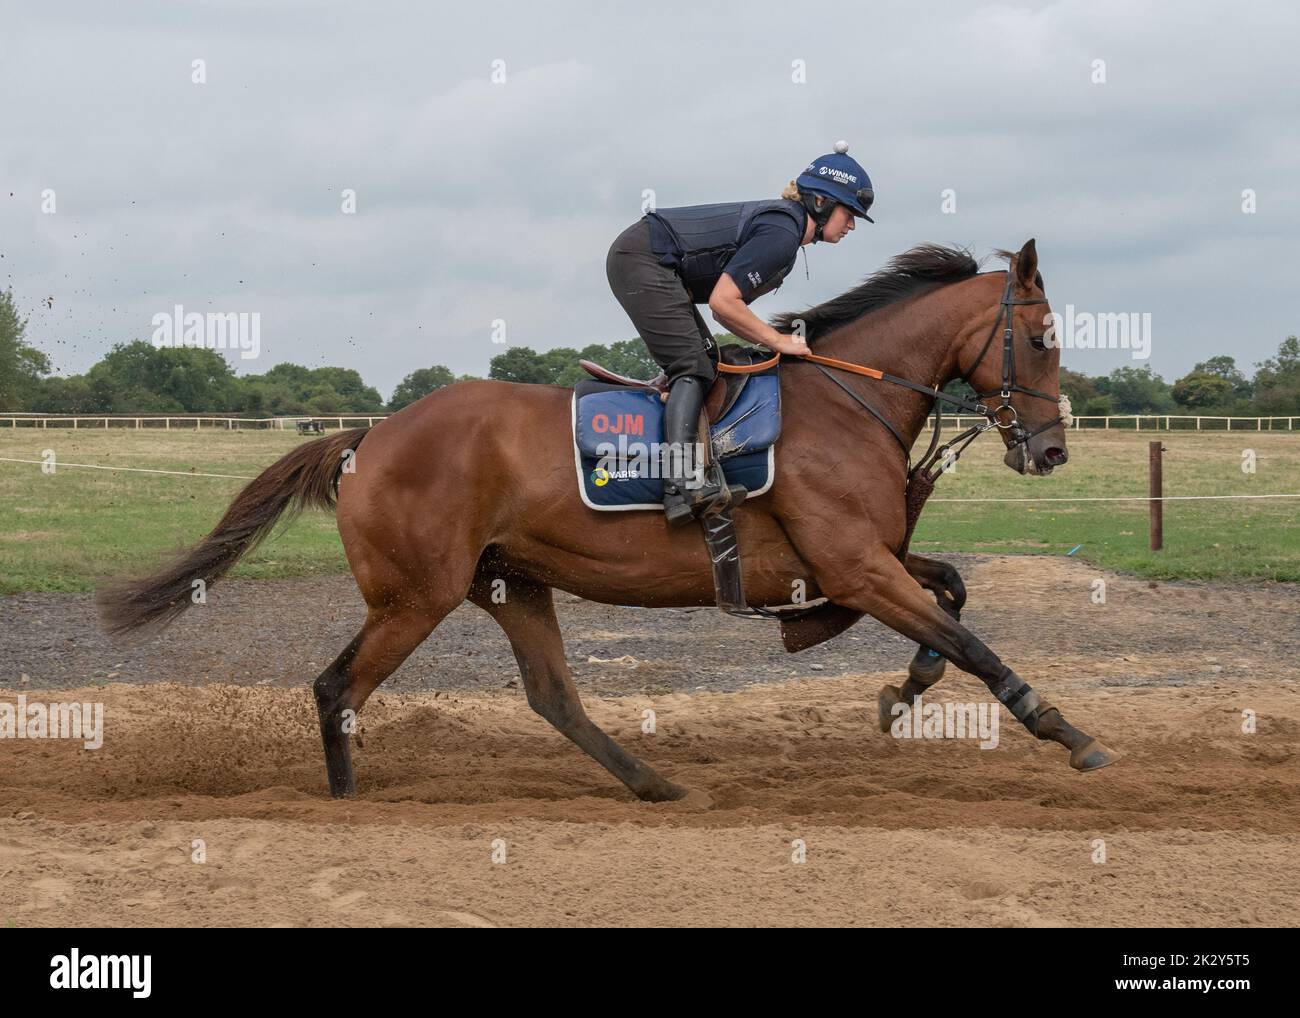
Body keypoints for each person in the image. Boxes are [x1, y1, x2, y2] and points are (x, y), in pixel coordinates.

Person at [606, 141, 874, 525]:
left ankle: (693, 470)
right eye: (849, 214)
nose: (850, 226)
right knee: (694, 366)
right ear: (821, 203)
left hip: (651, 260)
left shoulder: (785, 231)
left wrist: (768, 340)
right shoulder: (781, 233)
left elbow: (724, 310)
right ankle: (680, 485)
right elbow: (723, 303)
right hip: (642, 259)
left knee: (707, 362)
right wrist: (780, 340)